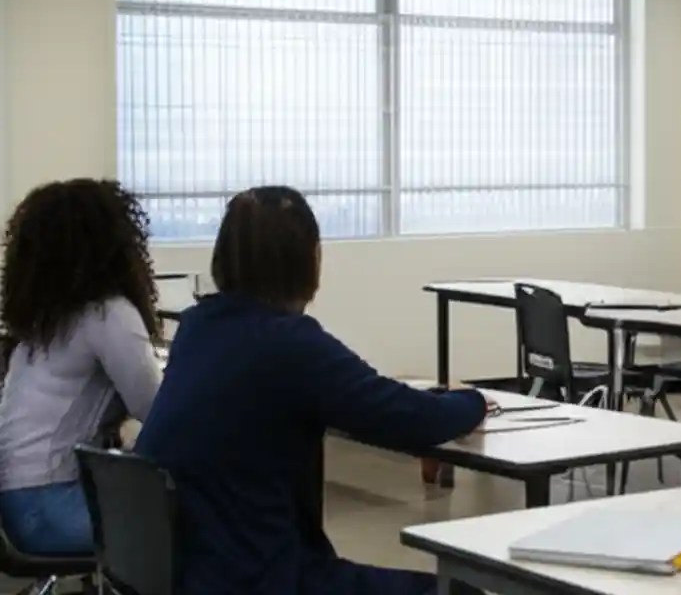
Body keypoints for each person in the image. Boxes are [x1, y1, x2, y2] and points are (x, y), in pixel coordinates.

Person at [135, 186, 489, 595]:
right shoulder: (288, 343)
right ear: (307, 261)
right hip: (257, 578)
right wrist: (472, 400)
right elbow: (406, 419)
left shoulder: (197, 327)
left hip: (188, 572)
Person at [0, 179, 164, 555]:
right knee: (202, 522)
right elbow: (157, 410)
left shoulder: (43, 322)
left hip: (16, 504)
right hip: (47, 508)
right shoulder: (108, 314)